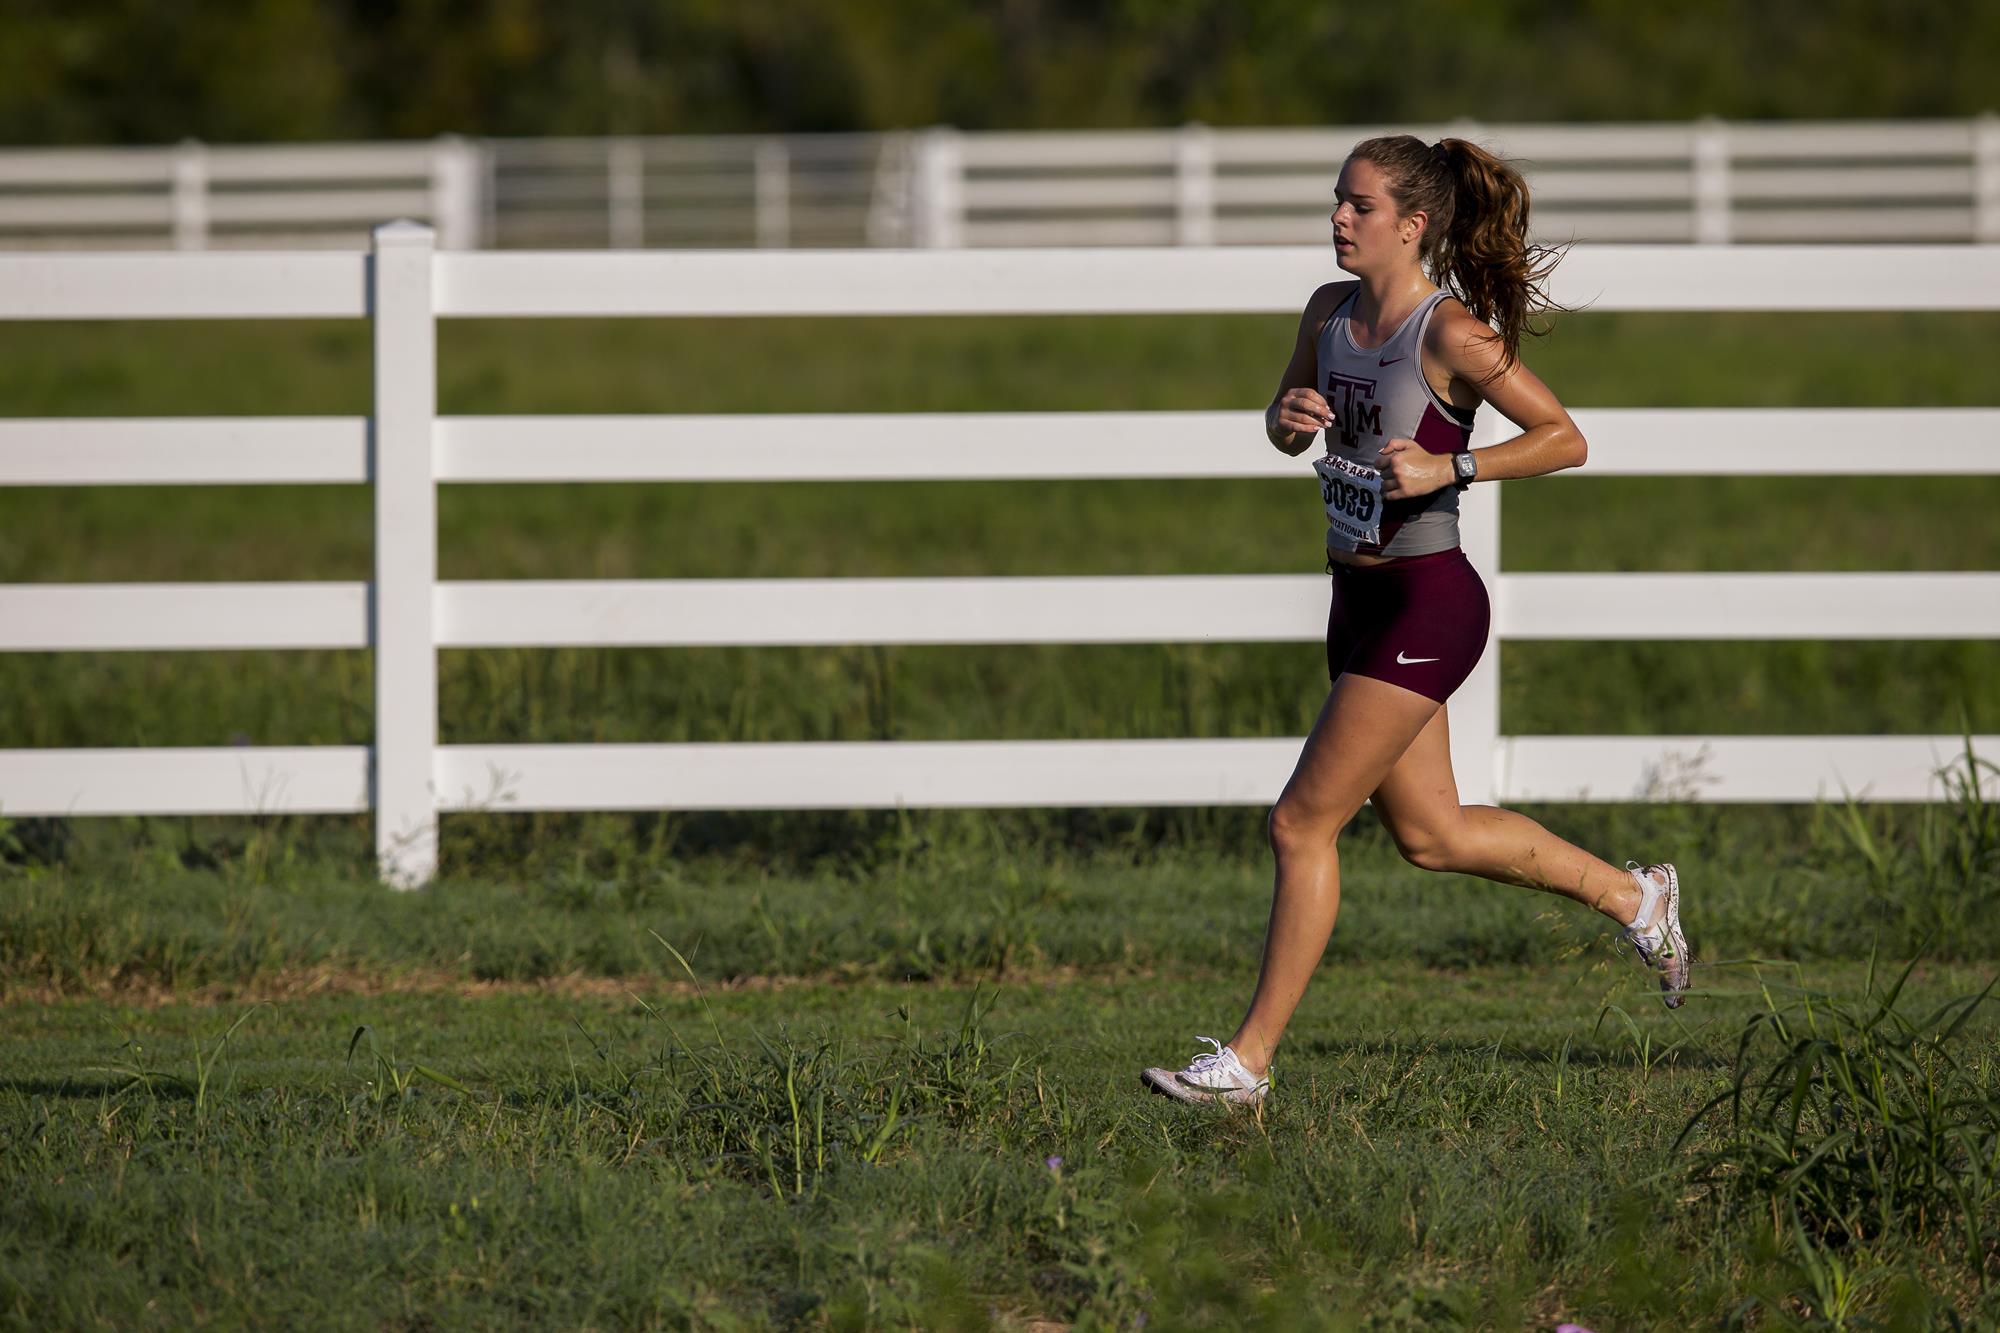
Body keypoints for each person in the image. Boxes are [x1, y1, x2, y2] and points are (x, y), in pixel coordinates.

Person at [1142, 135, 1691, 1108]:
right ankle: (1632, 894)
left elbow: (1565, 438)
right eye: (1335, 202)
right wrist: (1287, 417)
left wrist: (1452, 466)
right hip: (1353, 598)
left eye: (1357, 206)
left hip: (1429, 604)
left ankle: (1246, 1063)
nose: (1336, 220)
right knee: (1431, 835)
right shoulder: (1326, 311)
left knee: (1298, 823)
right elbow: (1280, 424)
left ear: (1412, 224)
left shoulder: (1453, 336)